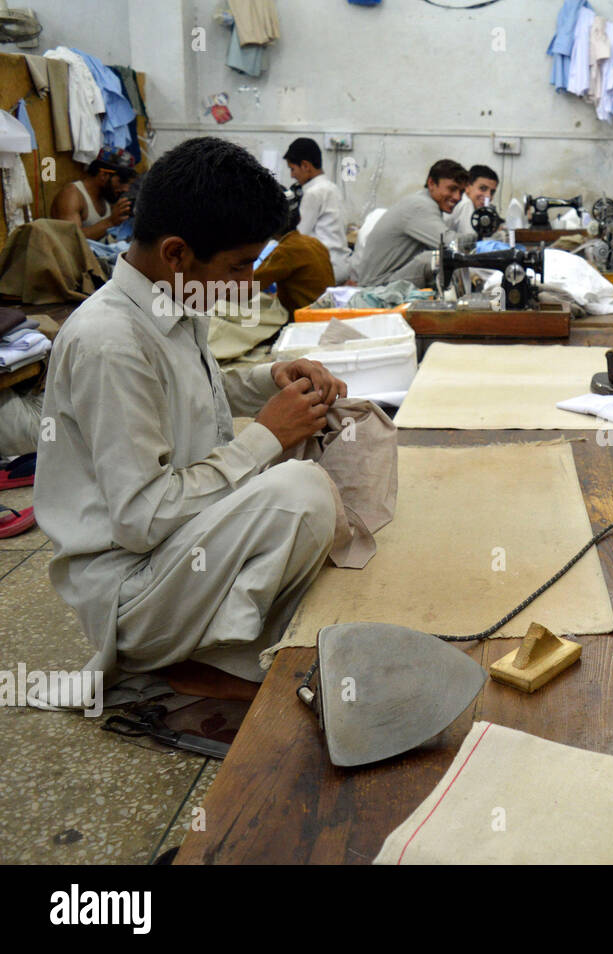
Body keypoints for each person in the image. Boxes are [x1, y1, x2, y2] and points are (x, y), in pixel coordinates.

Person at [35, 137, 350, 700]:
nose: (244, 283)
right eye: (237, 266)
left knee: (323, 459)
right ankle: (208, 657)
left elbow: (198, 394)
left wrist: (272, 378)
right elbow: (142, 518)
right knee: (300, 490)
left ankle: (224, 637)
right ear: (177, 253)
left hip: (175, 557)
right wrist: (266, 436)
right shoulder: (111, 343)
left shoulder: (170, 302)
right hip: (134, 592)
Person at [354, 159, 469, 286]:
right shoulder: (421, 206)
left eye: (461, 192)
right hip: (378, 286)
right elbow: (452, 244)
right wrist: (481, 242)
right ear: (431, 183)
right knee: (435, 259)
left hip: (385, 280)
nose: (457, 197)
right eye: (452, 189)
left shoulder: (423, 202)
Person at [284, 137, 350, 283]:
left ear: (305, 166)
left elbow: (299, 236)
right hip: (341, 264)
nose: (292, 175)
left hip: (325, 267)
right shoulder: (332, 187)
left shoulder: (313, 193)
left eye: (292, 169)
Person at [254, 202, 334, 313]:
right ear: (300, 219)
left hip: (304, 317)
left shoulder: (285, 250)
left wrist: (228, 294)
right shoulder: (314, 242)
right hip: (327, 311)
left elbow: (251, 285)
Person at [50, 147, 136, 241]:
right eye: (122, 181)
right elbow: (72, 240)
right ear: (103, 175)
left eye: (129, 184)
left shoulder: (107, 195)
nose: (126, 189)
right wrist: (110, 222)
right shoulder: (71, 195)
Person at [447, 163, 499, 236]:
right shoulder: (466, 203)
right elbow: (470, 239)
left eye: (492, 192)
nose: (488, 196)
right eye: (483, 188)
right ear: (467, 186)